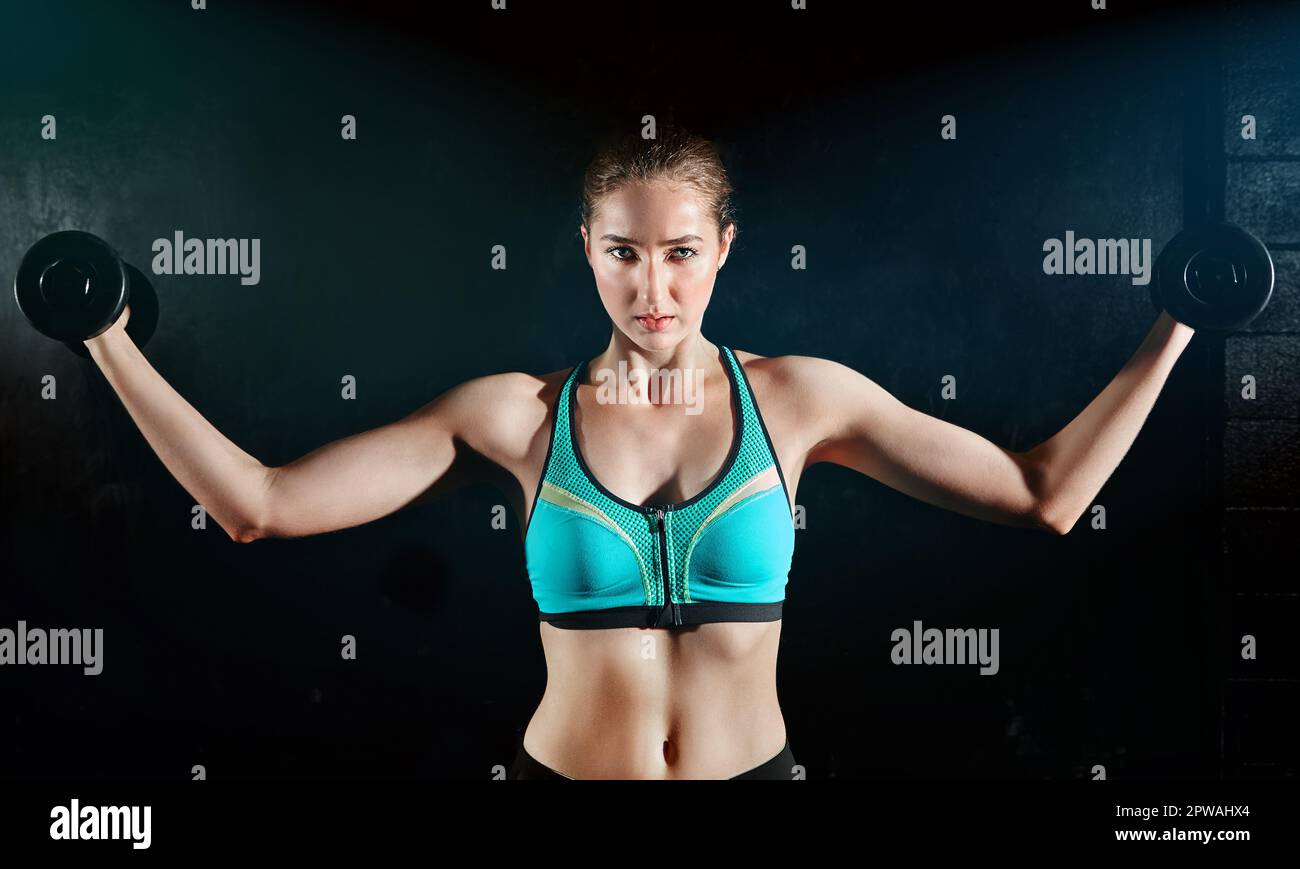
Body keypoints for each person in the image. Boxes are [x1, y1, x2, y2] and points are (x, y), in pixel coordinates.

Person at [82, 127, 1194, 780]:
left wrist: (1180, 320)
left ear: (723, 249)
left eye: (677, 253)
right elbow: (258, 503)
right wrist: (104, 336)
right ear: (586, 249)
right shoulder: (514, 416)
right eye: (621, 252)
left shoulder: (799, 399)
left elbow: (1046, 492)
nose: (650, 288)